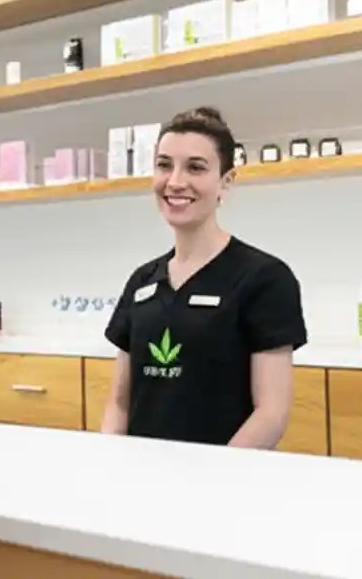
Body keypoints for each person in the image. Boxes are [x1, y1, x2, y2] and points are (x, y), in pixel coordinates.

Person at [101, 107, 308, 448]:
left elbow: (271, 414)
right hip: (141, 472)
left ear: (226, 182)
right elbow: (119, 403)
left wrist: (214, 474)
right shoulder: (142, 282)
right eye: (164, 165)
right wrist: (113, 459)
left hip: (224, 475)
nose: (175, 181)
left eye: (195, 167)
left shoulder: (265, 279)